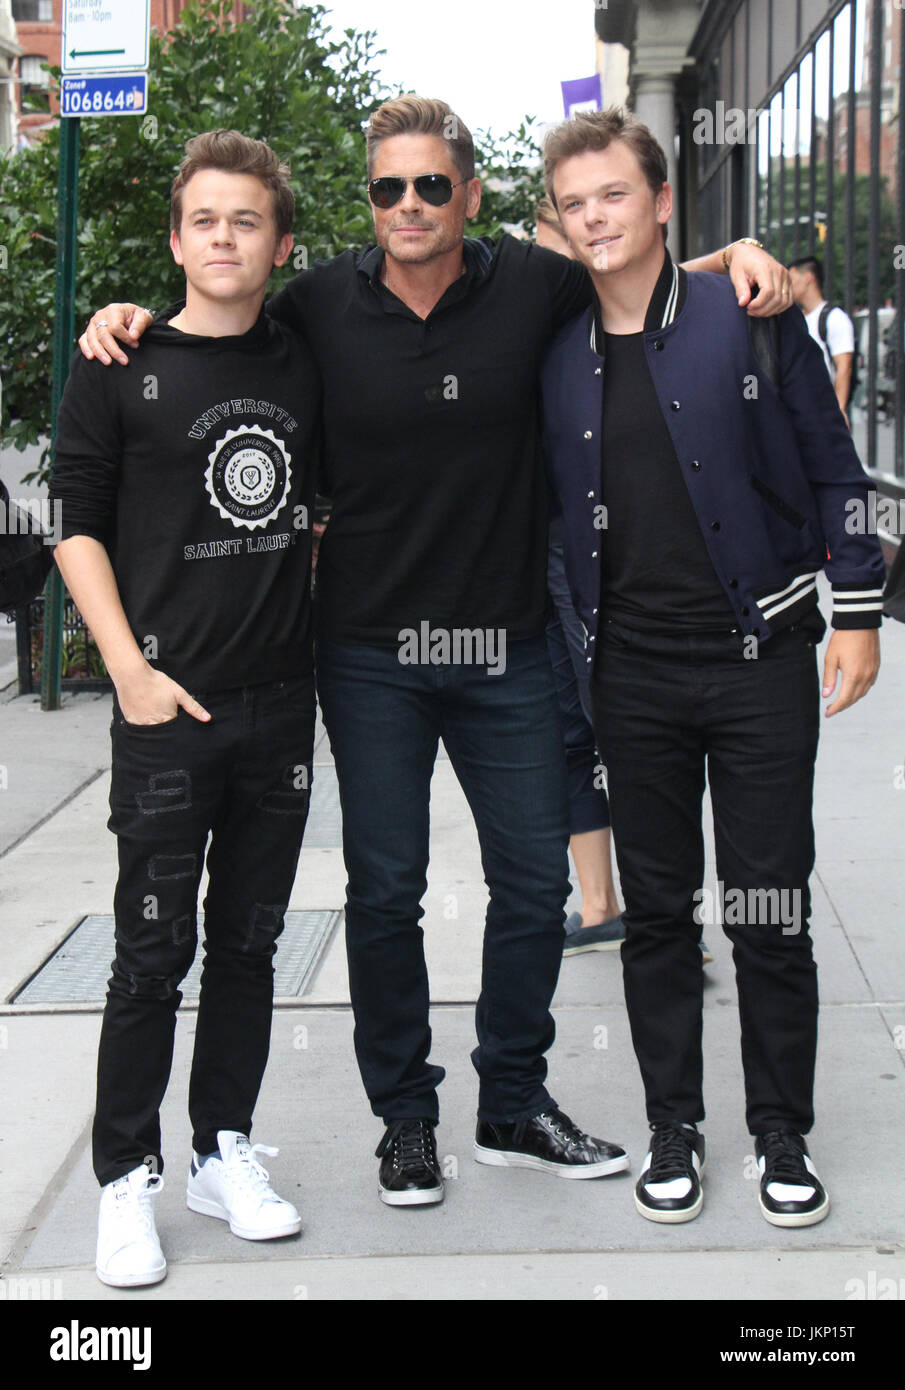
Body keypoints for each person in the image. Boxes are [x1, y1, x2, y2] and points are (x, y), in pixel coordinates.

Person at [78, 95, 791, 1209]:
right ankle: (404, 1120)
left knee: (525, 883)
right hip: (365, 656)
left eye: (428, 185)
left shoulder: (531, 284)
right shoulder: (316, 305)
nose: (406, 205)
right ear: (366, 201)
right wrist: (126, 317)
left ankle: (510, 1099)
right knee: (386, 890)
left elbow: (631, 269)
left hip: (507, 645)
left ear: (466, 192)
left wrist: (741, 256)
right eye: (384, 188)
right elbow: (211, 320)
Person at [541, 108, 884, 1228]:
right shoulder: (553, 346)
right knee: (655, 916)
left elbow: (837, 474)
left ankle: (779, 1131)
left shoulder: (749, 319)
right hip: (629, 676)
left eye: (613, 195)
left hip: (760, 664)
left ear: (659, 202)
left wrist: (857, 614)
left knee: (767, 906)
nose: (594, 217)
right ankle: (671, 1128)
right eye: (574, 201)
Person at [50, 131, 320, 1285]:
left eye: (245, 220)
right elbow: (75, 522)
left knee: (249, 947)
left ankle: (221, 1150)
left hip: (278, 706)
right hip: (163, 706)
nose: (223, 237)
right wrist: (127, 671)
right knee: (148, 953)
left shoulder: (308, 356)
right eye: (202, 220)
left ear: (279, 242)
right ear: (175, 239)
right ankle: (126, 1179)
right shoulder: (119, 361)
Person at [788, 256, 857, 426]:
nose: (788, 284)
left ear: (808, 278)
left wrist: (839, 408)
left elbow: (844, 366)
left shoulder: (834, 317)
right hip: (800, 408)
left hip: (824, 410)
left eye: (792, 279)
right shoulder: (796, 319)